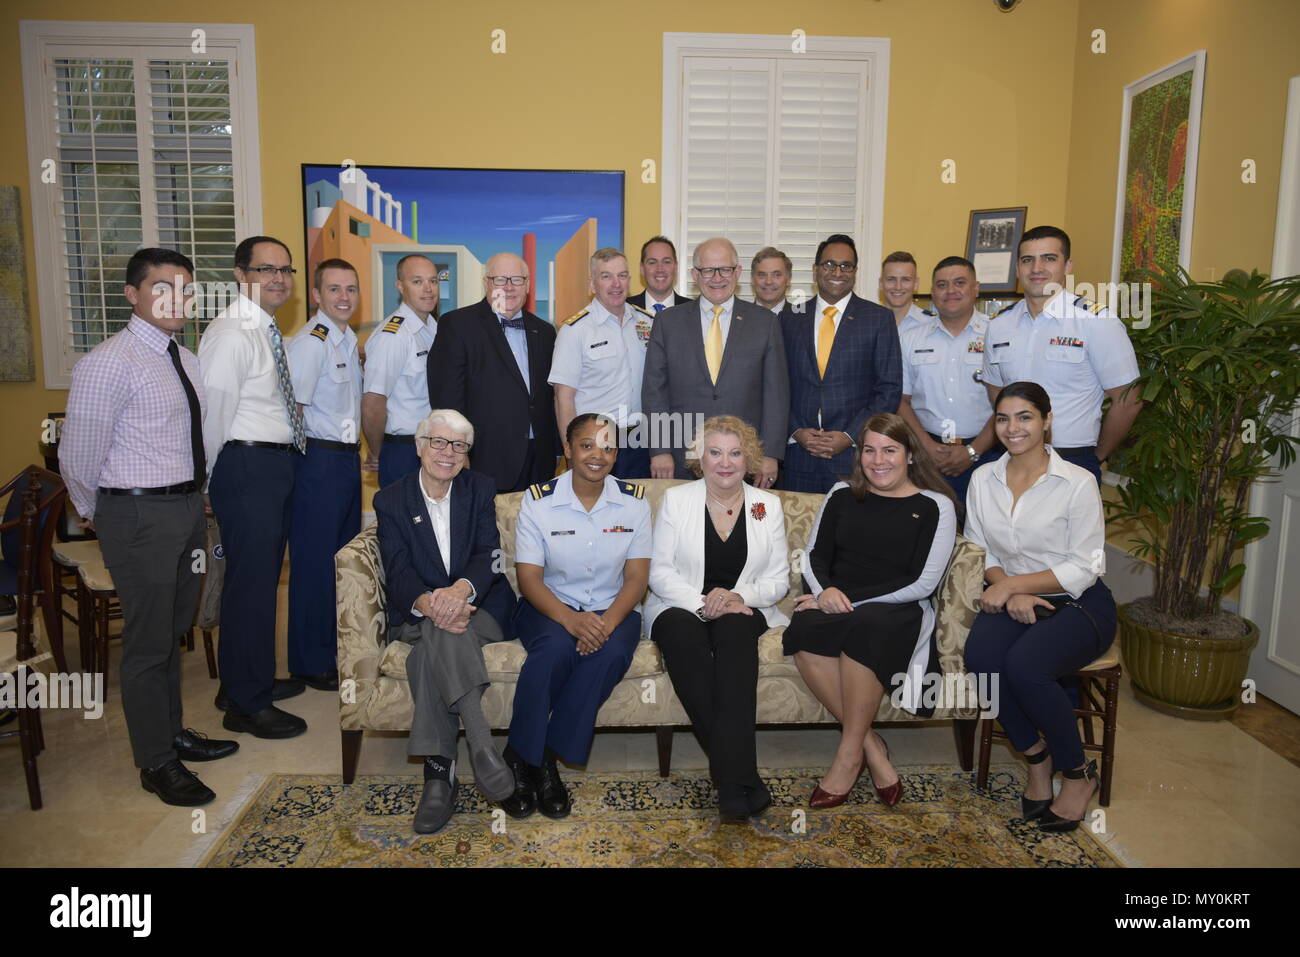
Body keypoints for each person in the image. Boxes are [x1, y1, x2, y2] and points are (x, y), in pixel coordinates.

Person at [61, 247, 237, 807]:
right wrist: (99, 512)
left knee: (172, 632)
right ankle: (155, 760)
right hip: (137, 513)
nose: (177, 298)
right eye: (163, 287)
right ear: (133, 295)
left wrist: (199, 498)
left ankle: (173, 732)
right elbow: (78, 455)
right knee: (145, 642)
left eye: (185, 288)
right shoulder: (108, 363)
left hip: (185, 509)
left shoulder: (183, 359)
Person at [963, 381, 1117, 832]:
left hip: (1079, 602)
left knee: (1026, 666)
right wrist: (1011, 589)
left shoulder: (1077, 482)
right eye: (1004, 418)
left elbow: (1084, 566)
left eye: (1025, 417)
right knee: (983, 661)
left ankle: (1077, 772)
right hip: (1011, 594)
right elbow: (978, 549)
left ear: (1047, 421)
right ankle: (1037, 760)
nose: (1013, 428)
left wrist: (1016, 585)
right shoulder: (982, 478)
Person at [784, 413, 957, 809]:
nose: (879, 460)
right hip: (838, 600)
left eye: (891, 450)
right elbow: (813, 555)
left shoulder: (935, 506)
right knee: (805, 628)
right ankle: (871, 748)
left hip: (897, 608)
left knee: (865, 624)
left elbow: (923, 582)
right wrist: (824, 590)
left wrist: (844, 600)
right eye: (870, 450)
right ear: (860, 455)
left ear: (910, 454)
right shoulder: (841, 494)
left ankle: (847, 758)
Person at [500, 414, 652, 820]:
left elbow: (637, 578)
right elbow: (528, 578)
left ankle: (534, 757)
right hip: (548, 605)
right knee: (553, 651)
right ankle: (533, 761)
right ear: (567, 449)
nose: (597, 455)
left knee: (610, 654)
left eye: (607, 446)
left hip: (612, 606)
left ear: (617, 454)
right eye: (587, 445)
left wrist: (603, 623)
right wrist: (571, 621)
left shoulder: (635, 503)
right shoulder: (538, 500)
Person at [373, 409, 519, 834]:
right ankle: (481, 745)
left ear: (466, 455)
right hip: (421, 613)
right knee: (435, 636)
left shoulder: (479, 489)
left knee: (429, 652)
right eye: (438, 442)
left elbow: (489, 554)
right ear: (419, 446)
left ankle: (440, 775)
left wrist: (459, 592)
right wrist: (429, 602)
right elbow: (397, 569)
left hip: (481, 608)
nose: (448, 453)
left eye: (459, 445)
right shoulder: (391, 499)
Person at [646, 416, 790, 822]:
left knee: (734, 638)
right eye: (715, 452)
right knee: (681, 636)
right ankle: (741, 779)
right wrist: (702, 601)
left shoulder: (767, 506)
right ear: (700, 458)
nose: (725, 463)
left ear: (749, 458)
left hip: (744, 607)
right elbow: (660, 573)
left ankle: (730, 782)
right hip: (680, 604)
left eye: (735, 453)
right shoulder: (678, 500)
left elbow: (778, 579)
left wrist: (737, 597)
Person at [200, 235, 308, 738]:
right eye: (266, 269)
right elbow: (212, 415)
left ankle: (246, 680)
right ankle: (247, 704)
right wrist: (206, 480)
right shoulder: (232, 334)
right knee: (251, 587)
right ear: (241, 274)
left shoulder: (264, 330)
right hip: (246, 468)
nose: (279, 279)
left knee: (261, 583)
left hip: (270, 468)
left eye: (285, 270)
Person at [981, 225, 1142, 482]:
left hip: (1071, 458)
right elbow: (995, 390)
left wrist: (1096, 456)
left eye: (1049, 258)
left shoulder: (1097, 322)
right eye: (1027, 260)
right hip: (1010, 457)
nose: (1036, 268)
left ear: (1067, 266)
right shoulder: (999, 324)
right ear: (1017, 269)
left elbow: (1128, 400)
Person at [641, 237, 789, 487]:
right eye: (708, 270)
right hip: (682, 455)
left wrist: (771, 453)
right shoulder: (668, 322)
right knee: (685, 525)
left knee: (740, 524)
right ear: (694, 275)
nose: (717, 277)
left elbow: (776, 395)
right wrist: (659, 449)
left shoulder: (765, 323)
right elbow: (655, 391)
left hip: (745, 456)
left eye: (725, 269)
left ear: (738, 272)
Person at [284, 258, 363, 693]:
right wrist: (302, 467)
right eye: (334, 289)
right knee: (315, 565)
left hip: (345, 460)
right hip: (318, 462)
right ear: (316, 295)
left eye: (350, 289)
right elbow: (292, 411)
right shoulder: (312, 343)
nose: (344, 297)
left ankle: (333, 649)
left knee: (340, 564)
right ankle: (309, 661)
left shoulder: (347, 341)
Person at [427, 252, 560, 492]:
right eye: (500, 279)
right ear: (486, 283)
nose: (508, 287)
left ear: (528, 285)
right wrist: (458, 450)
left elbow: (551, 397)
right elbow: (446, 398)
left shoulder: (545, 332)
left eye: (517, 280)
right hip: (484, 458)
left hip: (540, 459)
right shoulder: (457, 325)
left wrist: (558, 451)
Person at [781, 234, 902, 493]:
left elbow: (889, 389)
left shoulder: (878, 319)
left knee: (854, 533)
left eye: (846, 266)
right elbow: (776, 385)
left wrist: (850, 436)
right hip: (799, 458)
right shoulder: (790, 317)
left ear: (855, 272)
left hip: (855, 459)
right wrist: (796, 431)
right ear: (815, 271)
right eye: (829, 265)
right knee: (796, 532)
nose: (837, 271)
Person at [897, 256, 1001, 503]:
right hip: (926, 456)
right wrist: (926, 447)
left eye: (959, 283)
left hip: (986, 455)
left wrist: (973, 451)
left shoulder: (998, 335)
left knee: (982, 533)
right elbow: (901, 401)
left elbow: (1009, 404)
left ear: (976, 289)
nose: (950, 291)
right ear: (932, 292)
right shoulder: (910, 339)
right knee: (926, 530)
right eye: (942, 285)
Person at [549, 248, 655, 479]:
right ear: (592, 284)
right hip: (595, 443)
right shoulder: (575, 331)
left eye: (622, 275)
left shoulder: (648, 322)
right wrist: (572, 452)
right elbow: (563, 397)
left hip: (640, 442)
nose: (616, 284)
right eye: (606, 276)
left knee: (638, 509)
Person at [362, 253, 438, 488]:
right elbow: (373, 403)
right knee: (403, 522)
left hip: (432, 446)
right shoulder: (393, 336)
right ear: (400, 286)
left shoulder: (433, 328)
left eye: (433, 281)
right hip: (402, 450)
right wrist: (378, 453)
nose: (428, 289)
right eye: (417, 282)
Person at [627, 236, 691, 314]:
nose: (660, 269)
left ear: (676, 266)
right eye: (652, 262)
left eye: (666, 262)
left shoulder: (693, 311)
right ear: (642, 268)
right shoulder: (625, 308)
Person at [879, 251, 933, 334]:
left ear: (916, 284)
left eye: (905, 279)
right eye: (891, 279)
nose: (898, 287)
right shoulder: (867, 323)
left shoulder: (932, 324)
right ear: (881, 284)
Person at [751, 246, 792, 313]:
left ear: (788, 279)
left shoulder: (802, 320)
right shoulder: (737, 320)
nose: (768, 281)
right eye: (762, 275)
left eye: (776, 275)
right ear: (752, 279)